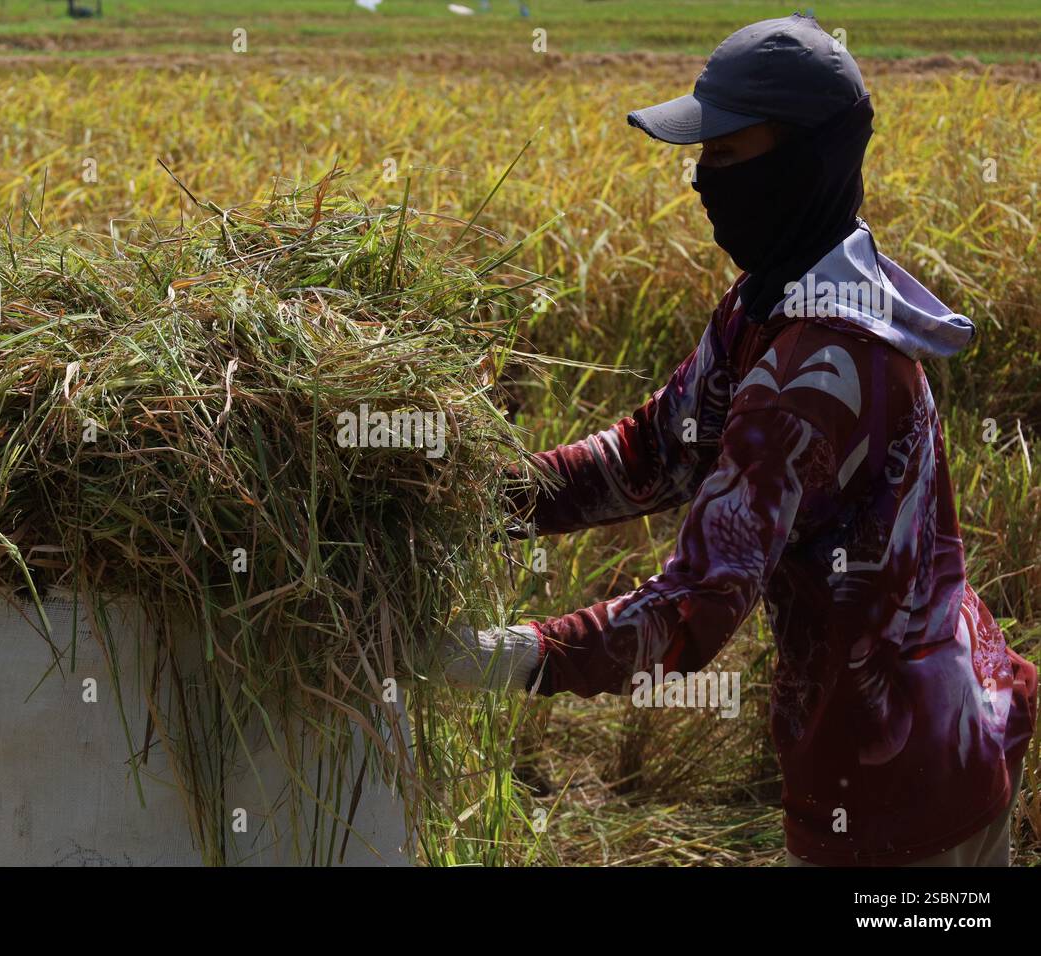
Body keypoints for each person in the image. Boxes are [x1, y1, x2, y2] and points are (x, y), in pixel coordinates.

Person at [444, 13, 1037, 867]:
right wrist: (455, 501)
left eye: (724, 155)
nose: (699, 179)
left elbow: (692, 609)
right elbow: (652, 454)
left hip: (896, 793)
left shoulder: (814, 374)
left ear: (802, 160)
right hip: (922, 735)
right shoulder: (778, 297)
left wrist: (493, 659)